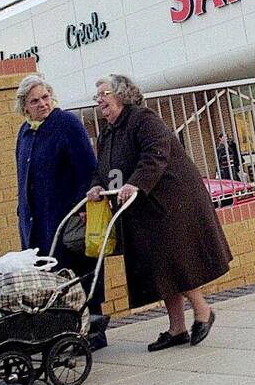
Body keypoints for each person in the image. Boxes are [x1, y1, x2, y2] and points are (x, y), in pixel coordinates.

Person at [88, 73, 233, 352]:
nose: (99, 101)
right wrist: (96, 187)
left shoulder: (143, 119)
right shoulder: (107, 132)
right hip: (142, 208)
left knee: (173, 261)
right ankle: (176, 328)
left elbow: (156, 154)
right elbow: (101, 169)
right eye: (97, 97)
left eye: (104, 94)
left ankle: (203, 311)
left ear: (121, 94)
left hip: (171, 201)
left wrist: (134, 183)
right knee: (160, 268)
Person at [13, 73, 107, 351]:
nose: (42, 104)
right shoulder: (25, 132)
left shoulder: (67, 124)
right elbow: (23, 176)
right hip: (36, 220)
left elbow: (88, 169)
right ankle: (63, 334)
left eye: (45, 97)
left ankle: (92, 334)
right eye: (35, 101)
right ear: (25, 106)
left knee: (75, 273)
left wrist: (84, 205)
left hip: (66, 216)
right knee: (49, 279)